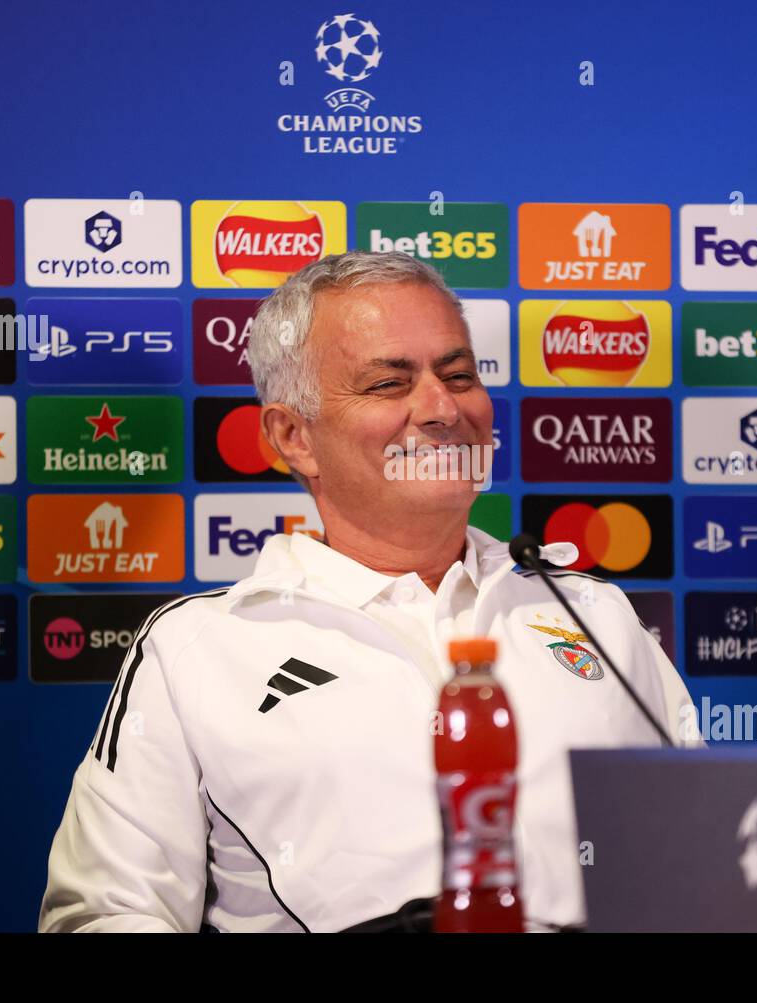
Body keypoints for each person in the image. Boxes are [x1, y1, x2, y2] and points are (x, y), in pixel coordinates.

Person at [38, 251, 699, 933]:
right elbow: (102, 915)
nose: (443, 408)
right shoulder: (194, 650)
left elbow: (706, 861)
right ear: (294, 436)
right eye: (389, 383)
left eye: (460, 374)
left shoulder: (591, 612)